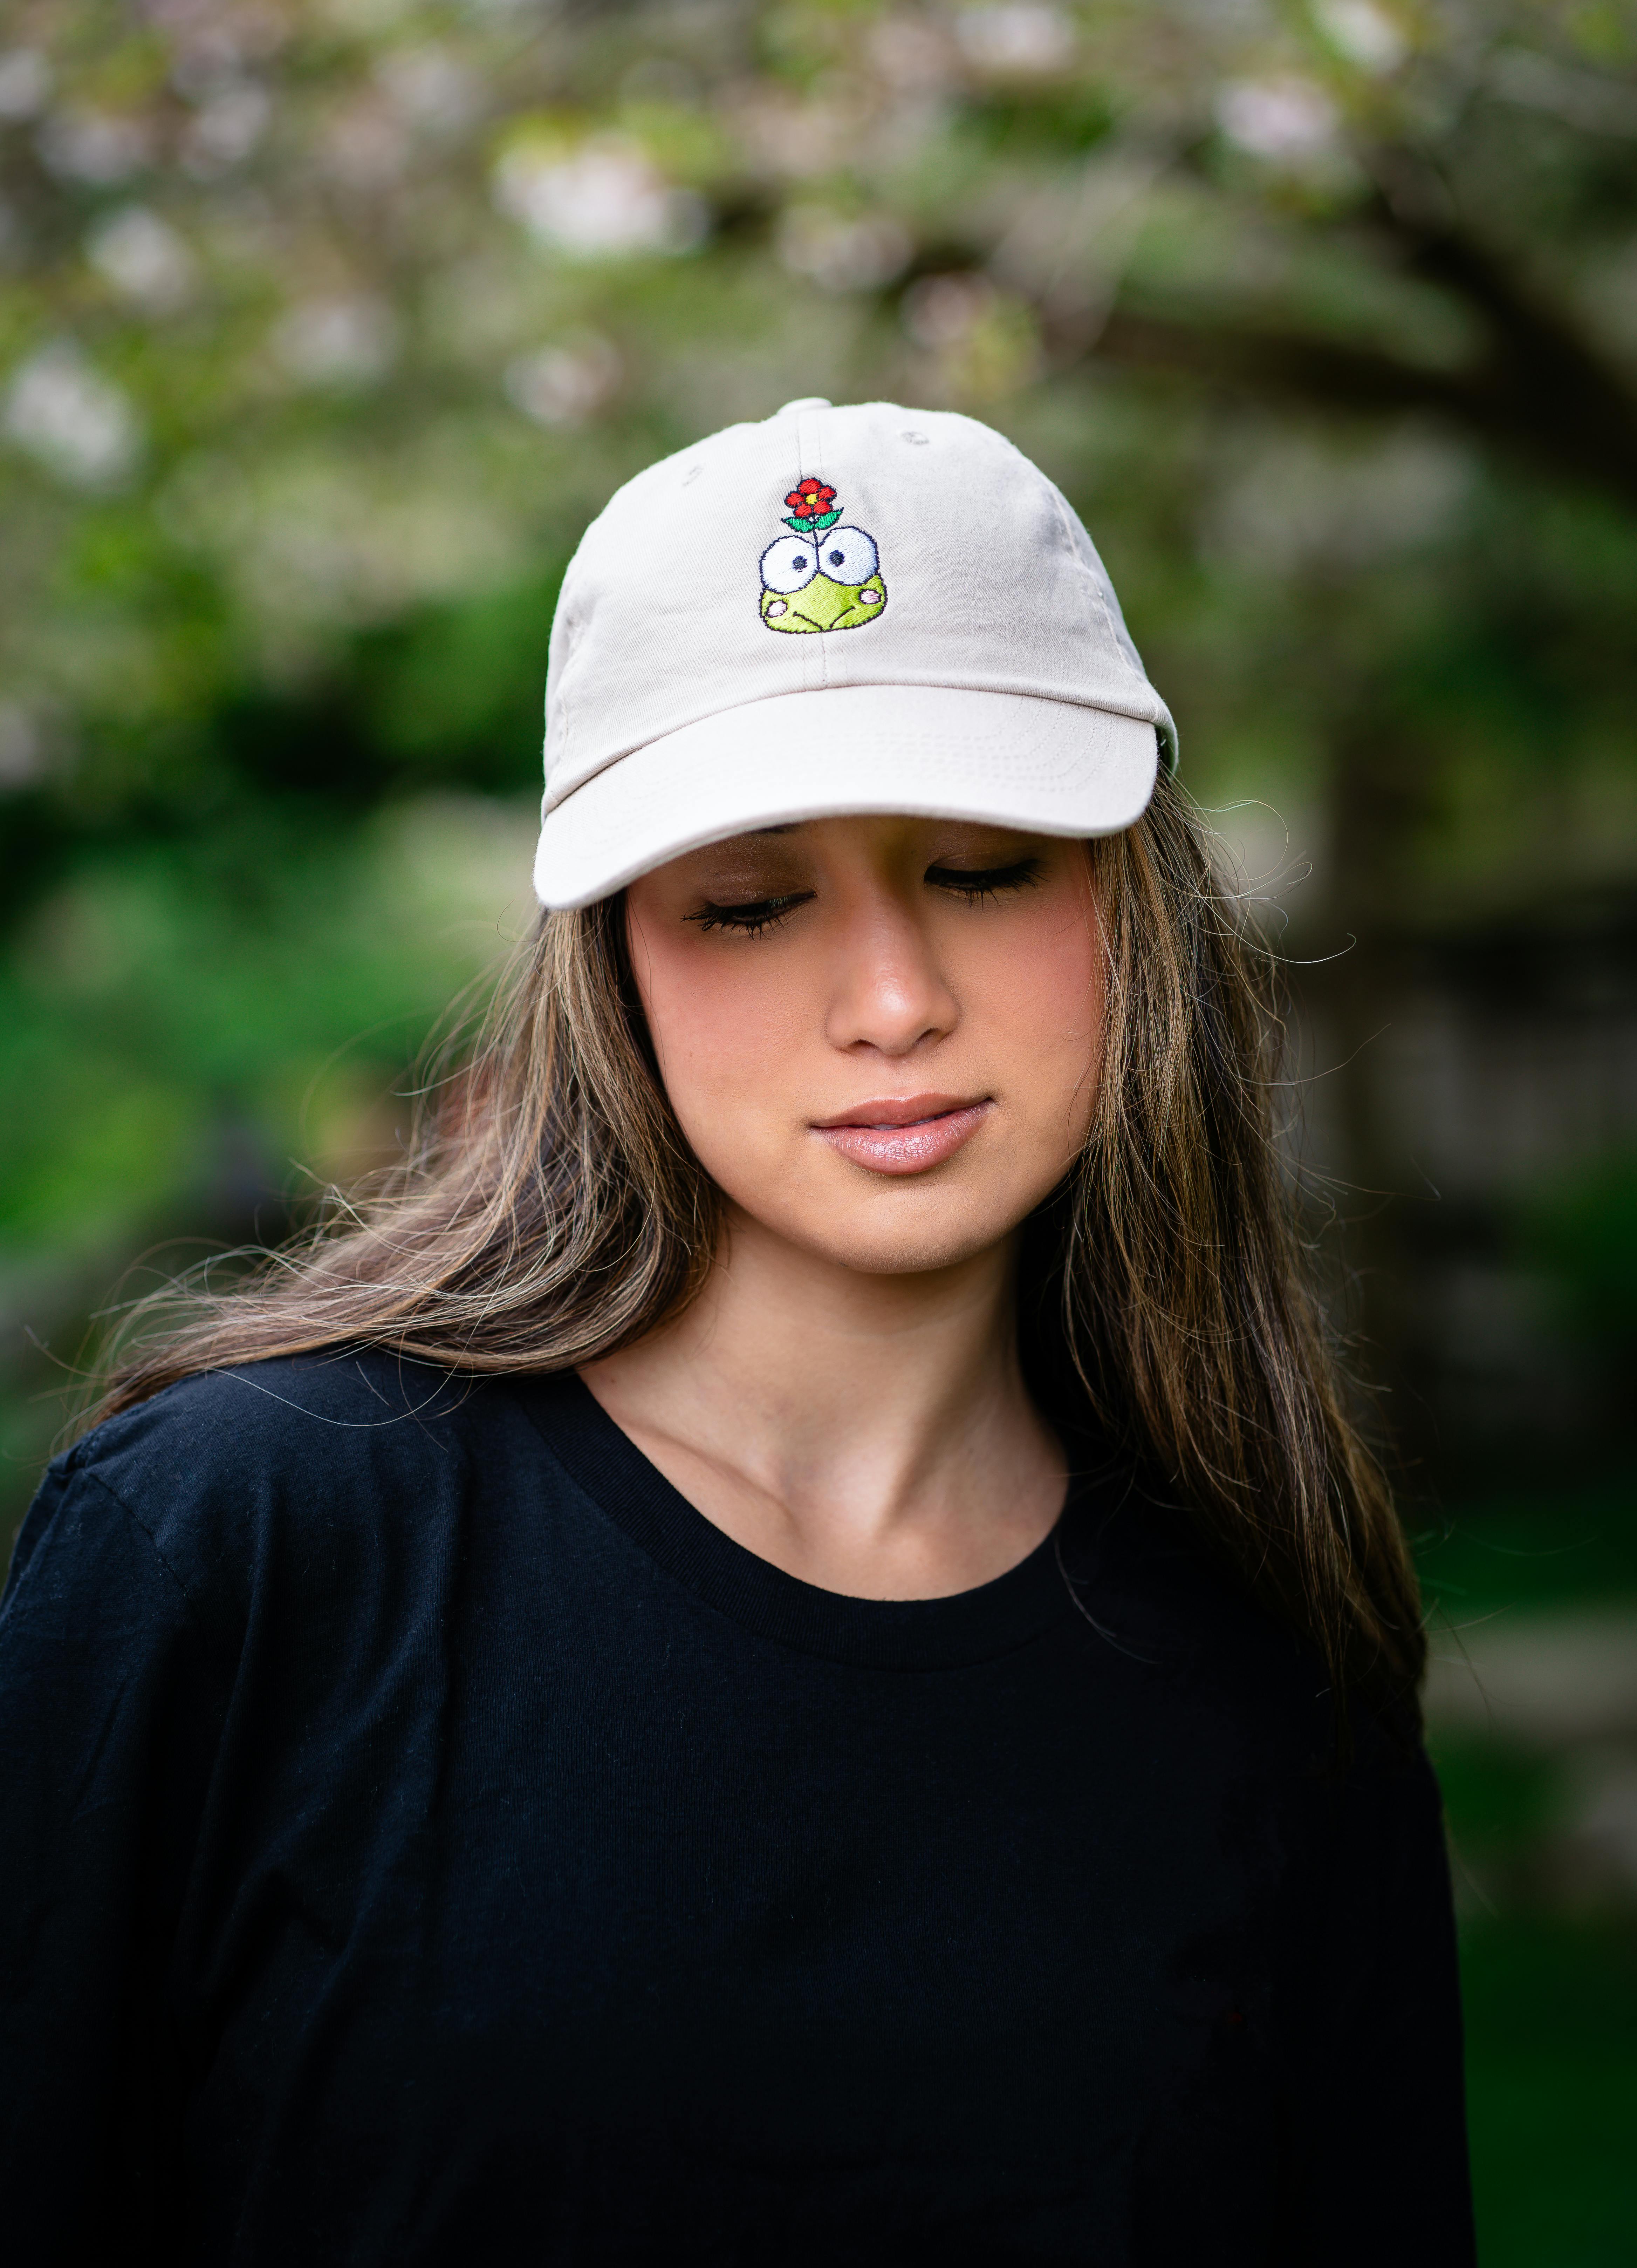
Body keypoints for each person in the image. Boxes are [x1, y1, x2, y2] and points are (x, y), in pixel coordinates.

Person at [0, 398, 1473, 2265]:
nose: (888, 999)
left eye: (983, 867)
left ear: (1137, 896)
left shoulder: (1275, 1646)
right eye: (753, 902)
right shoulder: (244, 1539)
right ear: (617, 960)